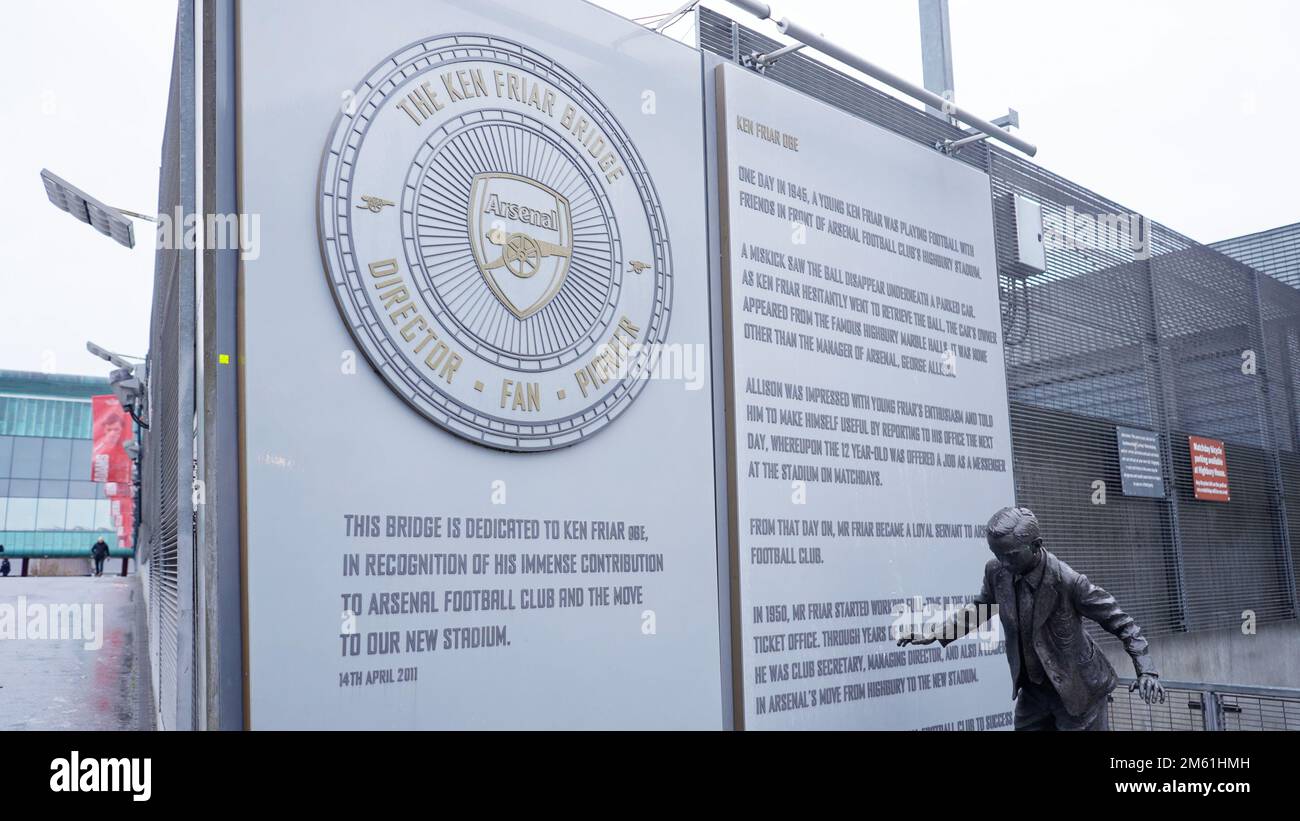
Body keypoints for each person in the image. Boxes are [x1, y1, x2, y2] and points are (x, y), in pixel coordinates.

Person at [898, 506, 1166, 730]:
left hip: (1078, 691)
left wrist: (1147, 671)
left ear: (1036, 546)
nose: (1003, 562)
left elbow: (1123, 623)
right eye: (997, 554)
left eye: (1010, 555)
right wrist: (935, 634)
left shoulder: (1068, 581)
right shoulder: (997, 572)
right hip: (1034, 693)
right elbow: (979, 609)